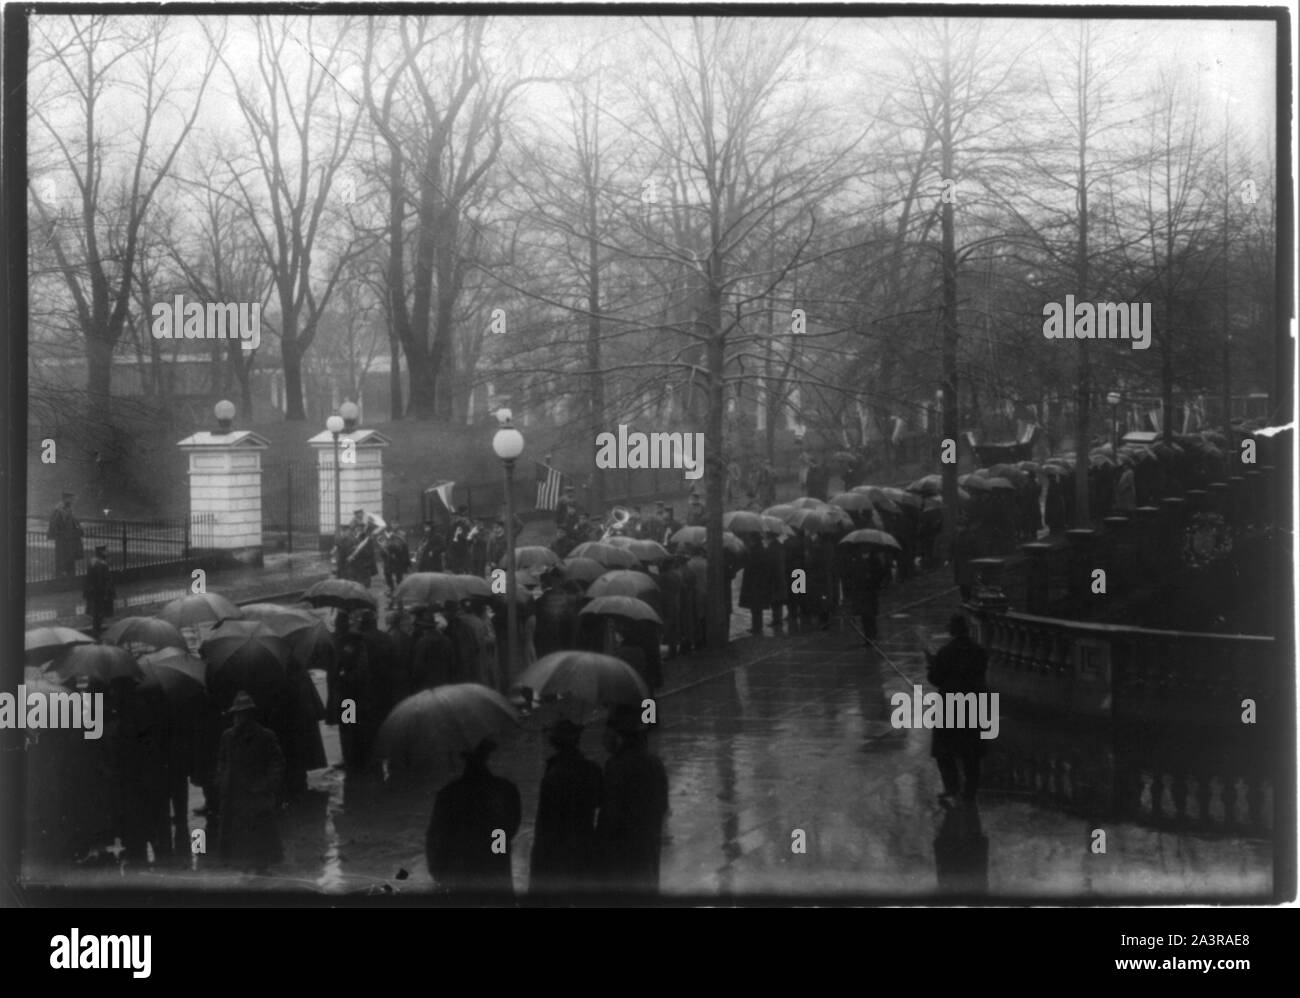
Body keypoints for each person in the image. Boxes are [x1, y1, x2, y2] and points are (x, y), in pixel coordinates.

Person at [425, 737, 521, 894]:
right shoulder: (506, 789)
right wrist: (498, 853)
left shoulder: (449, 793)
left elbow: (436, 835)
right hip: (495, 870)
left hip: (461, 872)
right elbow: (509, 827)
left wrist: (438, 871)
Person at [595, 704, 668, 893]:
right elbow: (662, 806)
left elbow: (609, 815)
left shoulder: (616, 766)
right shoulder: (655, 763)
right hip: (647, 850)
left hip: (622, 856)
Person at [216, 691, 286, 873]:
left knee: (259, 838)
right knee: (238, 838)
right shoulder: (228, 737)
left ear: (250, 715)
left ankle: (260, 870)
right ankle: (245, 869)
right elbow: (222, 761)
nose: (239, 719)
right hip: (234, 794)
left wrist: (267, 785)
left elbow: (277, 763)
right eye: (237, 715)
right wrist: (223, 779)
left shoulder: (265, 736)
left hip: (256, 794)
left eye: (243, 714)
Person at [529, 720, 602, 894]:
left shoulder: (553, 775)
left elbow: (544, 824)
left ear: (554, 743)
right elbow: (600, 801)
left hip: (557, 855)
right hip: (585, 847)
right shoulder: (593, 769)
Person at [925, 615, 989, 805]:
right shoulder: (979, 652)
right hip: (974, 705)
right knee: (972, 754)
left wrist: (931, 664)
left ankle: (951, 788)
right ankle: (970, 792)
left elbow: (935, 679)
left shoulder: (945, 653)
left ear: (952, 631)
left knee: (944, 752)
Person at [48, 491, 83, 578]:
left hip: (69, 539)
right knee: (62, 559)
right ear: (66, 499)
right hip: (63, 540)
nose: (72, 501)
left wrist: (77, 528)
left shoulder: (68, 508)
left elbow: (73, 521)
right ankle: (62, 579)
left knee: (69, 559)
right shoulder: (59, 509)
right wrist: (61, 533)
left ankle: (70, 577)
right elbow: (54, 524)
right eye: (71, 498)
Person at [82, 544, 115, 639]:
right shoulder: (102, 564)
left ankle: (95, 631)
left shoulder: (92, 561)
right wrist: (106, 594)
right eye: (105, 550)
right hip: (100, 593)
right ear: (101, 552)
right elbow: (103, 581)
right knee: (100, 613)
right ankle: (97, 633)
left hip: (92, 592)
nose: (107, 552)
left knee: (96, 613)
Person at [380, 524, 411, 592]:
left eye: (395, 523)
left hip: (398, 559)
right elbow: (383, 546)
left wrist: (406, 561)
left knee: (399, 577)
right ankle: (391, 588)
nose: (394, 525)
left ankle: (399, 590)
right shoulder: (387, 534)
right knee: (387, 574)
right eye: (392, 523)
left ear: (398, 524)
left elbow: (404, 547)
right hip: (388, 560)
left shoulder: (402, 534)